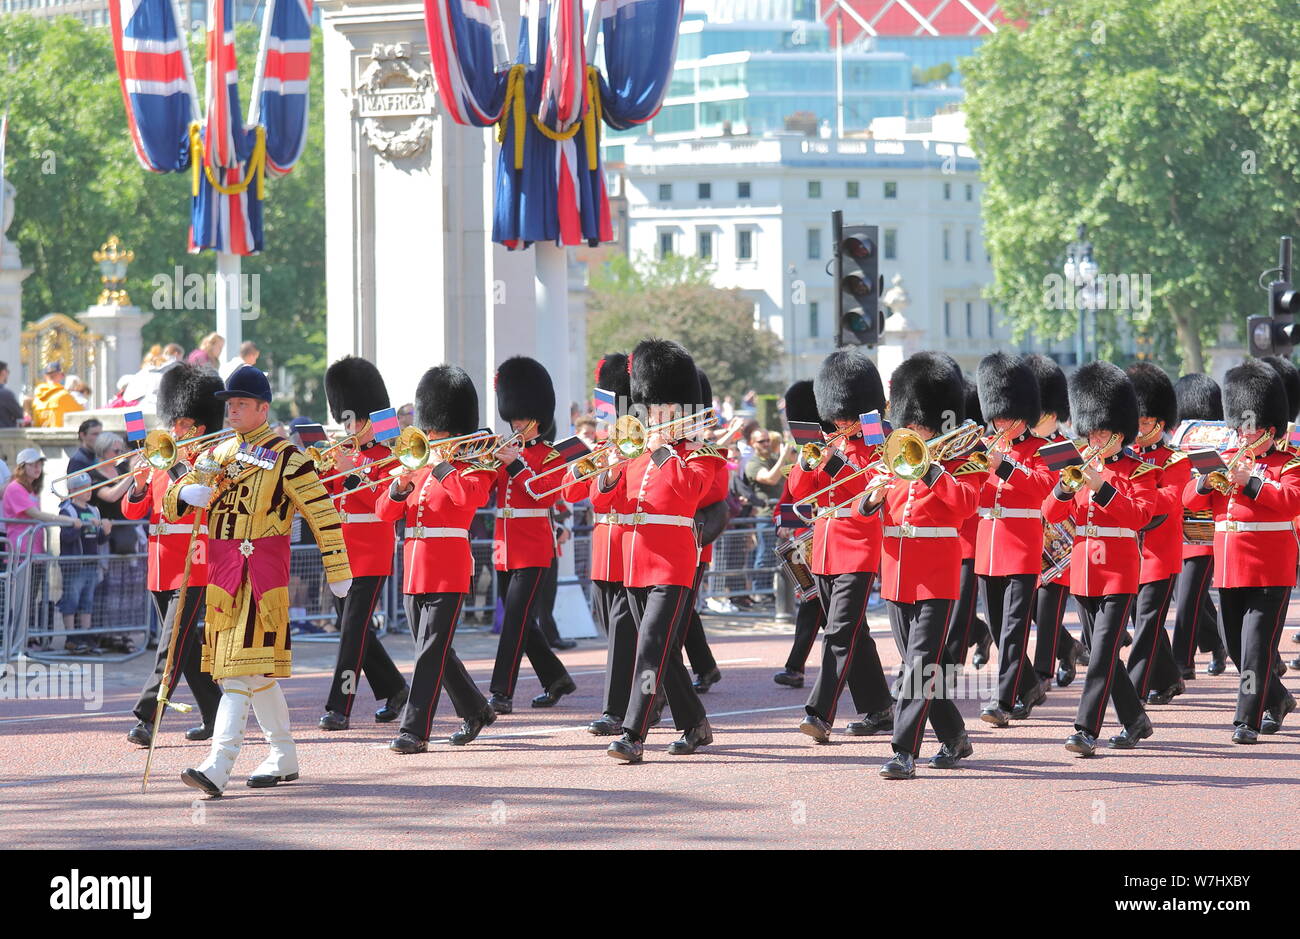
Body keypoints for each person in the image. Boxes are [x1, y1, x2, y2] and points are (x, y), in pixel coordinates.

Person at [168, 365, 352, 798]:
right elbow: (170, 503)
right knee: (253, 675)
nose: (231, 410)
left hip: (259, 575)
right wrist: (182, 494)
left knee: (236, 675)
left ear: (262, 408)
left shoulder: (289, 457)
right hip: (222, 576)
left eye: (241, 404)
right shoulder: (216, 453)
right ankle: (283, 755)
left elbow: (322, 513)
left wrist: (337, 568)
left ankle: (218, 764)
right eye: (229, 404)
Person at [860, 352, 982, 778]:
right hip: (896, 571)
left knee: (917, 667)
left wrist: (930, 471)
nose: (913, 429)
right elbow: (867, 509)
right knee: (921, 668)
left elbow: (966, 506)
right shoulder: (894, 455)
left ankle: (903, 751)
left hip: (937, 572)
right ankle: (954, 737)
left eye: (920, 422)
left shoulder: (966, 457)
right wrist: (873, 495)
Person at [598, 338, 720, 762]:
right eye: (650, 408)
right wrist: (609, 472)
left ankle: (633, 733)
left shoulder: (701, 454)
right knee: (663, 654)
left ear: (682, 410)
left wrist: (663, 450)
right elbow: (603, 503)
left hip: (673, 564)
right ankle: (695, 724)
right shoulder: (634, 452)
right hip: (634, 563)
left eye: (662, 409)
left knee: (650, 646)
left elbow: (690, 492)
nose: (653, 416)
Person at [375, 365, 498, 753]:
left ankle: (414, 731)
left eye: (437, 434)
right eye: (428, 433)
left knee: (428, 654)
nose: (429, 439)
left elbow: (469, 500)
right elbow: (384, 513)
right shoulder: (417, 467)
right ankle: (476, 709)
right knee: (436, 651)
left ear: (454, 433)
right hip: (414, 569)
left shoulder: (478, 466)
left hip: (448, 569)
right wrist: (399, 485)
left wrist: (441, 465)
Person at [1043, 362, 1159, 756]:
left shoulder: (1139, 472)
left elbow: (1139, 516)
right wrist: (1063, 488)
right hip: (1084, 570)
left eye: (1102, 432)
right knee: (1102, 655)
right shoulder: (1076, 463)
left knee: (1101, 656)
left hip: (1118, 570)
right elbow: (1050, 514)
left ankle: (1085, 729)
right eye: (1090, 430)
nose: (1094, 438)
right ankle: (1136, 719)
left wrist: (1102, 485)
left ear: (1119, 433)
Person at [1183, 359, 1299, 744]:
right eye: (1237, 428)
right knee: (1235, 647)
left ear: (1267, 431)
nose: (1240, 435)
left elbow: (1291, 502)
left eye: (1246, 429)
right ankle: (1279, 699)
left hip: (1270, 571)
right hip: (1231, 570)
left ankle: (1245, 720)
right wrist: (1203, 484)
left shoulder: (1287, 465)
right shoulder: (1225, 461)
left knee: (1254, 651)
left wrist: (1251, 484)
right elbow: (1189, 501)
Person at [784, 348, 895, 742]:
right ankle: (880, 708)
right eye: (837, 414)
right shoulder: (829, 441)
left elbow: (866, 491)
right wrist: (807, 462)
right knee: (854, 634)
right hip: (826, 547)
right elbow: (798, 492)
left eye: (847, 413)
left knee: (838, 632)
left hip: (862, 545)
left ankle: (819, 712)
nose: (841, 420)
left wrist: (832, 463)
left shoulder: (880, 442)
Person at [122, 364, 224, 748]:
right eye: (173, 422)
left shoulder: (209, 460)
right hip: (160, 564)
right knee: (186, 646)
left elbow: (205, 504)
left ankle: (147, 717)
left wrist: (178, 470)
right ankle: (215, 713)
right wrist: (139, 483)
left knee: (170, 646)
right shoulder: (160, 458)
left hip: (192, 564)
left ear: (198, 426)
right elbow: (135, 512)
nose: (174, 430)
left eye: (181, 424)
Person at [316, 356, 410, 731]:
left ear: (371, 421)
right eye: (346, 420)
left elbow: (384, 505)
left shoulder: (389, 458)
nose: (349, 427)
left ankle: (340, 706)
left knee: (352, 633)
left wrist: (348, 473)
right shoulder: (346, 455)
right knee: (353, 629)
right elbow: (326, 497)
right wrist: (321, 470)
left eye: (354, 421)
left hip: (371, 552)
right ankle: (395, 688)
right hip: (341, 553)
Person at [485, 356, 577, 714]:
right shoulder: (506, 451)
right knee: (521, 620)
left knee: (513, 623)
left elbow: (546, 493)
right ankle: (556, 679)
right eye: (513, 416)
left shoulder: (551, 455)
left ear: (537, 419)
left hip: (535, 547)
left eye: (521, 417)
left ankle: (501, 692)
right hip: (504, 546)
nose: (515, 422)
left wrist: (516, 465)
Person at [974, 353, 1056, 727]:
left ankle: (1002, 700)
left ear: (1023, 414)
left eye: (1006, 416)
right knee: (996, 627)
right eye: (997, 416)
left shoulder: (1040, 450)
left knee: (1013, 630)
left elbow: (1043, 488)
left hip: (1022, 546)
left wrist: (1002, 466)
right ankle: (1030, 687)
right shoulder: (983, 446)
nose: (1000, 422)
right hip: (988, 547)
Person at [569, 353, 637, 736]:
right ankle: (652, 697)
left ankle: (615, 711)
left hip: (630, 547)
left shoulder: (638, 449)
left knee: (624, 632)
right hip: (603, 551)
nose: (604, 424)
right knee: (611, 631)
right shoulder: (599, 447)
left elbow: (606, 498)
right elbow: (576, 492)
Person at [1021, 354, 1088, 690]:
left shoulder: (1065, 446)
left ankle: (1042, 674)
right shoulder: (1025, 445)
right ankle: (1071, 647)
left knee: (1048, 608)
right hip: (1026, 536)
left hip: (1059, 540)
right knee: (1031, 608)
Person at [1124, 363, 1188, 705]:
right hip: (1129, 553)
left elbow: (1172, 499)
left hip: (1160, 554)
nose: (1137, 428)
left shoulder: (1174, 460)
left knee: (1147, 623)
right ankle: (1169, 678)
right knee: (1143, 620)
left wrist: (1140, 496)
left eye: (1144, 422)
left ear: (1159, 423)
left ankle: (1130, 694)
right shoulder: (1126, 458)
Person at [1170, 374, 1229, 678]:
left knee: (1189, 596)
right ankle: (1217, 642)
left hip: (1207, 527)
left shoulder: (1224, 439)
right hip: (1183, 522)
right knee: (1187, 595)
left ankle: (1182, 662)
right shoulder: (1178, 437)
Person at [771, 379, 827, 689]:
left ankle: (797, 667)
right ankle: (797, 668)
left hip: (833, 542)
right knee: (814, 605)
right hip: (806, 544)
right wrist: (783, 521)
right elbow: (786, 500)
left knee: (825, 612)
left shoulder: (837, 456)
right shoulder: (803, 458)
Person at [56, 473, 111, 654]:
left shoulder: (94, 510)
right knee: (71, 599)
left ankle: (86, 636)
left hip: (91, 564)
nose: (88, 491)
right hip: (75, 564)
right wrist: (78, 527)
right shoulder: (68, 511)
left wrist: (106, 530)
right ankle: (71, 638)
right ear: (72, 491)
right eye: (83, 488)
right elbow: (66, 537)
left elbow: (99, 539)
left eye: (89, 487)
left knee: (87, 601)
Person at [31, 362, 80, 429]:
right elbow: (80, 414)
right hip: (58, 437)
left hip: (40, 437)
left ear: (45, 377)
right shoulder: (64, 396)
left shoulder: (37, 398)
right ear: (61, 375)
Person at [0, 361, 25, 428]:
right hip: (5, 435)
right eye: (7, 371)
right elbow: (19, 415)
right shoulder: (6, 394)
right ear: (3, 372)